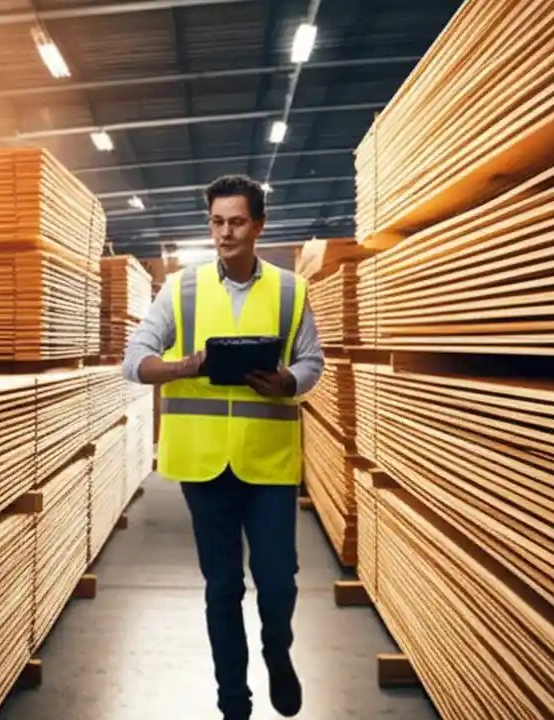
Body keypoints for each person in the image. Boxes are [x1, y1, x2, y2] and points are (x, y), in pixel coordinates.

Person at [122, 174, 324, 720]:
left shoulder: (290, 289)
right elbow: (134, 359)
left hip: (269, 461)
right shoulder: (181, 289)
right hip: (204, 463)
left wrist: (288, 382)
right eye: (216, 222)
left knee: (279, 579)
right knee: (223, 587)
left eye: (237, 222)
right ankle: (232, 699)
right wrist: (185, 366)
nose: (225, 233)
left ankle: (277, 652)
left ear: (258, 225)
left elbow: (312, 362)